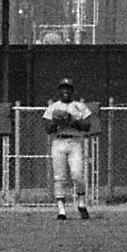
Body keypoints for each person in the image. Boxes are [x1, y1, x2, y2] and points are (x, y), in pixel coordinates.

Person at [42, 77, 93, 220]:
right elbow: (48, 129)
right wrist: (57, 122)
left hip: (75, 142)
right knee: (59, 177)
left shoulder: (79, 106)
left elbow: (87, 126)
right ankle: (61, 209)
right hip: (58, 142)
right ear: (59, 90)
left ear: (72, 90)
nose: (66, 91)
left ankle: (81, 203)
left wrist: (71, 120)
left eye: (68, 88)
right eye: (63, 88)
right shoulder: (53, 107)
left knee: (77, 174)